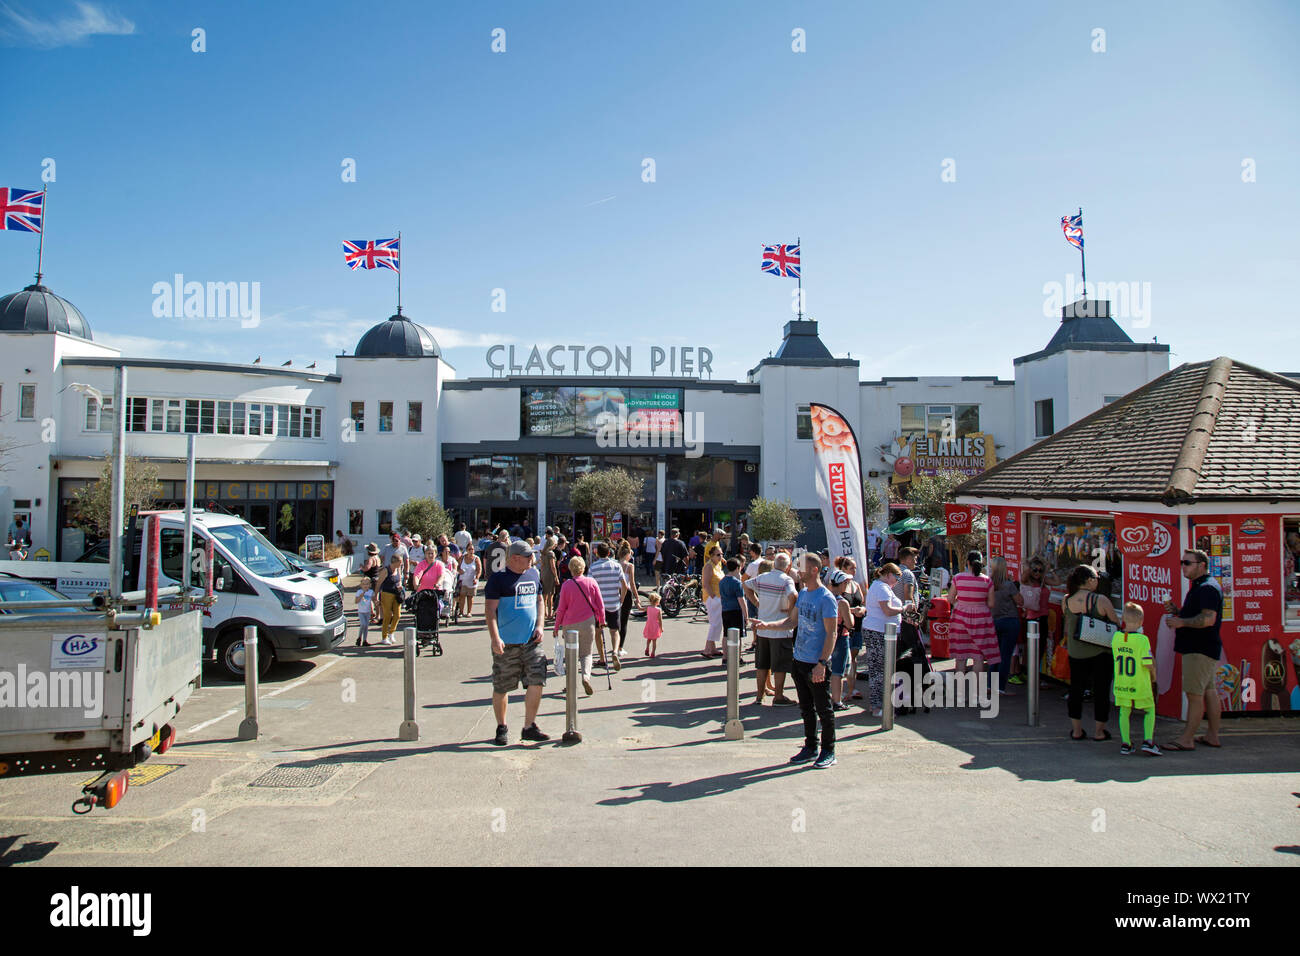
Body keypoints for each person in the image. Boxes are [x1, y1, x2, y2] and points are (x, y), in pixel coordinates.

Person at [755, 553, 839, 769]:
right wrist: (767, 625)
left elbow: (832, 633)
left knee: (824, 709)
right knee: (806, 708)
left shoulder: (826, 598)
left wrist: (822, 662)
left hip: (816, 663)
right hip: (799, 660)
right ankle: (810, 746)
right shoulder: (802, 595)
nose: (797, 571)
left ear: (814, 570)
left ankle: (828, 750)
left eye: (801, 568)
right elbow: (791, 621)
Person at [485, 541, 548, 745]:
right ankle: (501, 726)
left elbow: (540, 600)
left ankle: (529, 726)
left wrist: (540, 625)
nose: (532, 559)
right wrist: (495, 638)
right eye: (528, 556)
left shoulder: (533, 575)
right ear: (515, 558)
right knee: (502, 686)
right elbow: (490, 611)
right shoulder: (499, 580)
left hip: (531, 641)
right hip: (507, 643)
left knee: (537, 680)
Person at [1164, 548, 1224, 751]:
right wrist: (1179, 613)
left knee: (1194, 695)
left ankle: (1187, 739)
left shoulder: (1206, 588)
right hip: (1205, 647)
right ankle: (1212, 735)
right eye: (1182, 562)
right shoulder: (1202, 586)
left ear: (1201, 565)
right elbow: (1200, 616)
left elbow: (1208, 619)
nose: (1183, 566)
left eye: (1187, 563)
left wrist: (1180, 622)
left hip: (1199, 649)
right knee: (1209, 691)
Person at [1063, 564, 1120, 741]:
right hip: (1100, 653)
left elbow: (1068, 625)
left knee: (1076, 690)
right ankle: (1099, 731)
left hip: (1076, 652)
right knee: (1101, 692)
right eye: (1096, 578)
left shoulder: (1066, 600)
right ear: (1089, 580)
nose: (1098, 581)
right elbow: (1116, 624)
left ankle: (1077, 730)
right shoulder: (1101, 600)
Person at [552, 554, 608, 696]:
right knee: (586, 653)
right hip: (587, 622)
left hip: (569, 623)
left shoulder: (566, 585)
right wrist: (602, 621)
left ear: (571, 569)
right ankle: (586, 677)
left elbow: (561, 608)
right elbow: (600, 604)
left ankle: (570, 685)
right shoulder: (591, 582)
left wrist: (556, 626)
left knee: (571, 655)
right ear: (583, 568)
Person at [862, 562, 912, 717]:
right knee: (879, 670)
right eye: (897, 576)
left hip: (881, 631)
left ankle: (878, 704)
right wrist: (903, 609)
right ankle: (877, 706)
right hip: (878, 632)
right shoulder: (881, 588)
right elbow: (888, 610)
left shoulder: (881, 587)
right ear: (889, 574)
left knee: (882, 669)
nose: (897, 580)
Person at [747, 553, 798, 706]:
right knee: (780, 665)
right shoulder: (786, 579)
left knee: (762, 664)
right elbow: (793, 595)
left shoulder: (763, 577)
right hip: (780, 628)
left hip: (763, 627)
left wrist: (757, 603)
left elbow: (746, 585)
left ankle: (759, 695)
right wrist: (790, 611)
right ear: (788, 567)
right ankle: (779, 696)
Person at [1112, 602, 1161, 756]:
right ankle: (1148, 741)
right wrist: (1154, 675)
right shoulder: (1142, 640)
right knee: (1150, 709)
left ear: (1124, 620)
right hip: (1140, 683)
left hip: (1122, 683)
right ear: (1141, 622)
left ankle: (1126, 743)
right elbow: (1147, 664)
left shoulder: (1116, 637)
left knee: (1124, 712)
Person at [946, 550, 999, 677]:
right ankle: (977, 692)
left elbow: (950, 598)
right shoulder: (987, 580)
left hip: (960, 618)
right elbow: (991, 604)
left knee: (960, 657)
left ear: (967, 563)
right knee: (978, 657)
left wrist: (959, 604)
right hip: (981, 619)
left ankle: (959, 693)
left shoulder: (958, 578)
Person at [588, 542, 627, 669]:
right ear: (609, 553)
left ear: (597, 553)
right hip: (613, 603)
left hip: (599, 605)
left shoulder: (593, 567)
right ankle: (615, 651)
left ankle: (602, 658)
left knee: (598, 632)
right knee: (614, 630)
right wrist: (621, 599)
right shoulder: (616, 566)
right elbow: (624, 585)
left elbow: (590, 587)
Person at [989, 556, 1024, 695]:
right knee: (1005, 655)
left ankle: (990, 685)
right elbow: (1020, 601)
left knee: (994, 655)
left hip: (994, 621)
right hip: (1010, 621)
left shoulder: (988, 583)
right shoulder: (1009, 585)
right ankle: (1001, 687)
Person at [1015, 558, 1051, 686]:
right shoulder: (1027, 581)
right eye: (1035, 570)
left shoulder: (1043, 581)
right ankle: (1032, 677)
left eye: (1040, 570)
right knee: (1031, 650)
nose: (1037, 573)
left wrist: (1047, 569)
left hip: (1044, 618)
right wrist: (1031, 565)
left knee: (1040, 649)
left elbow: (1058, 582)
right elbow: (1024, 575)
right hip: (1032, 619)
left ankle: (1034, 676)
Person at [718, 557, 748, 658]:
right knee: (737, 636)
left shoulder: (722, 581)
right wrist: (746, 615)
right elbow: (741, 600)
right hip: (736, 610)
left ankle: (725, 657)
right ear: (737, 568)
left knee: (726, 634)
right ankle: (737, 657)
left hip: (725, 609)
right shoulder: (737, 583)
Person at [617, 541, 640, 657]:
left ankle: (615, 644)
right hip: (626, 594)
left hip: (616, 593)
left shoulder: (615, 564)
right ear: (627, 555)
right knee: (624, 621)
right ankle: (620, 647)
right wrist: (637, 597)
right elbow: (632, 583)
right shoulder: (629, 566)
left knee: (616, 621)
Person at [701, 546, 725, 658]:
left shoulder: (717, 566)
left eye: (721, 554)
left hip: (718, 597)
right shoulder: (709, 566)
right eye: (718, 554)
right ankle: (707, 649)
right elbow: (705, 584)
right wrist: (714, 597)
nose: (720, 557)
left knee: (717, 623)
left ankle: (712, 647)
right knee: (715, 623)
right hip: (712, 598)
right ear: (711, 556)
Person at [377, 555, 406, 645]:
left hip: (396, 593)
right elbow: (379, 583)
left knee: (397, 615)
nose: (402, 564)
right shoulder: (386, 570)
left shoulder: (398, 569)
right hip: (386, 593)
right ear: (395, 562)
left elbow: (400, 579)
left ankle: (391, 633)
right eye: (400, 562)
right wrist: (376, 595)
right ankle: (384, 636)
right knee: (387, 615)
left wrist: (400, 585)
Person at [359, 543, 383, 624]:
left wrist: (362, 567)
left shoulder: (371, 559)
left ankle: (375, 615)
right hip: (377, 578)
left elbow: (366, 568)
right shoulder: (378, 558)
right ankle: (377, 614)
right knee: (376, 597)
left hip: (371, 580)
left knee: (371, 598)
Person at [538, 536, 559, 621]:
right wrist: (556, 577)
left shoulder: (543, 553)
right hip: (550, 574)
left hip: (543, 574)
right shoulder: (551, 553)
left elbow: (542, 565)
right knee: (550, 595)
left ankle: (544, 612)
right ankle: (550, 614)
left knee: (544, 595)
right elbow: (553, 567)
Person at [457, 545, 480, 618]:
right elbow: (457, 566)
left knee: (470, 597)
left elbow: (479, 570)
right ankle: (461, 612)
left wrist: (476, 578)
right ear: (466, 550)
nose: (471, 551)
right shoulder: (462, 558)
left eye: (472, 549)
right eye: (469, 549)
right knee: (462, 596)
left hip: (472, 581)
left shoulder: (476, 559)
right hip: (463, 580)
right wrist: (459, 570)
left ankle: (469, 612)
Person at [643, 591, 663, 657]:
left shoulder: (648, 608)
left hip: (649, 625)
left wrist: (638, 604)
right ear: (657, 601)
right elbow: (660, 620)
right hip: (655, 626)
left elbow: (641, 609)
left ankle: (647, 648)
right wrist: (661, 628)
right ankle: (653, 653)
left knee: (649, 639)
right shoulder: (658, 610)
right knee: (654, 641)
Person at [355, 581, 374, 648]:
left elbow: (372, 601)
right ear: (361, 585)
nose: (365, 586)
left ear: (370, 585)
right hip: (361, 611)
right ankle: (359, 637)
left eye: (367, 584)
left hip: (368, 611)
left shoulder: (371, 592)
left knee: (366, 626)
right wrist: (361, 595)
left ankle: (364, 640)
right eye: (364, 584)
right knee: (363, 624)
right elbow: (356, 601)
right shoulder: (359, 592)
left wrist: (372, 610)